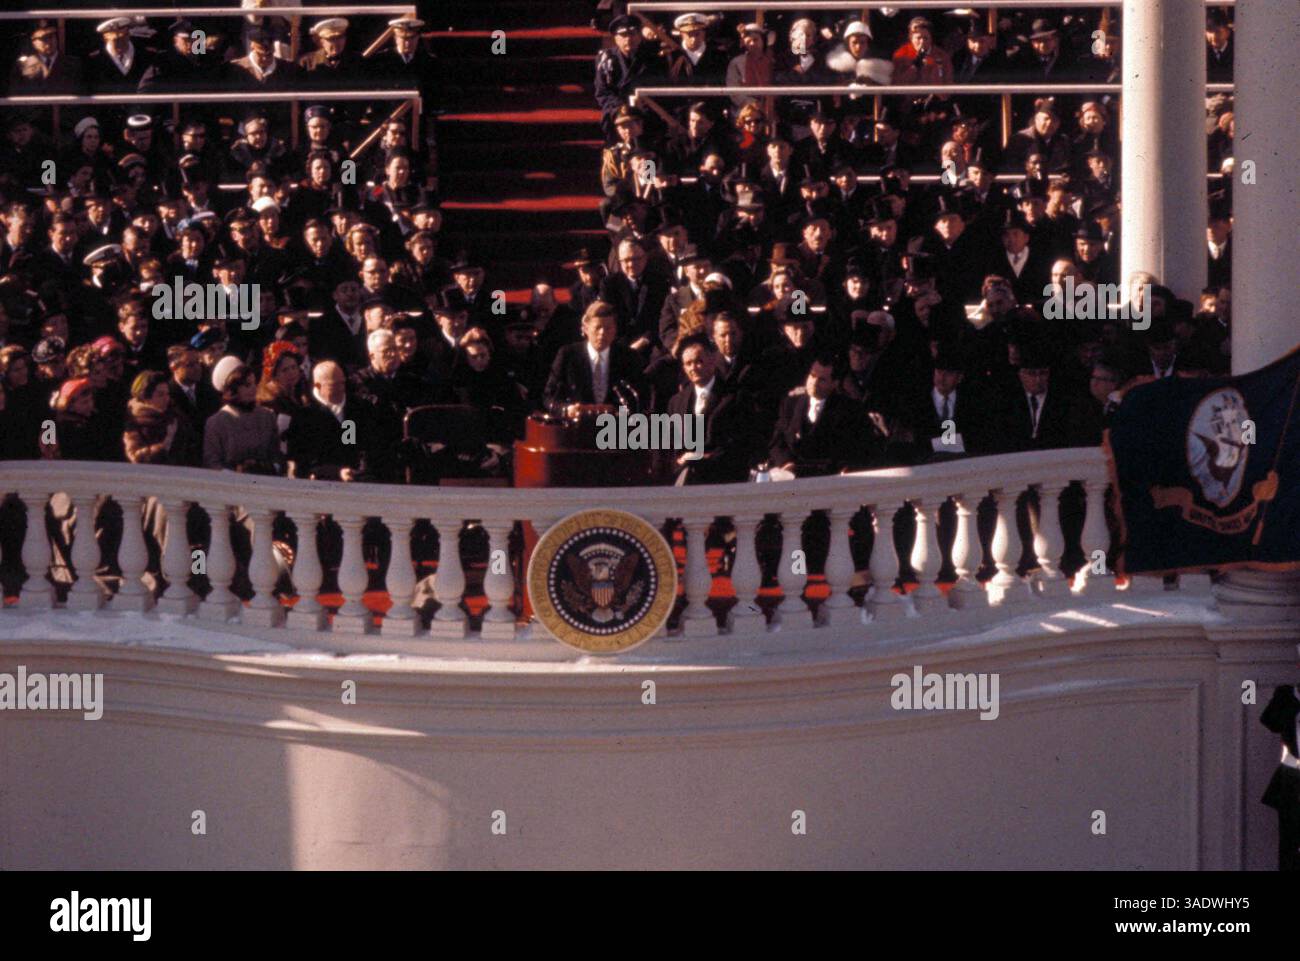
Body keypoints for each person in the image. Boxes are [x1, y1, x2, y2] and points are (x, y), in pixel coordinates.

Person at [767, 355, 872, 477]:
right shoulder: (790, 404)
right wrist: (786, 464)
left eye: (822, 379)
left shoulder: (850, 411)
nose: (814, 382)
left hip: (829, 480)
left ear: (835, 383)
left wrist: (846, 469)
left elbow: (859, 449)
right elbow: (777, 440)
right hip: (792, 479)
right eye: (812, 375)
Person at [543, 301, 645, 414]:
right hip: (576, 427)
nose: (602, 333)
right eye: (597, 328)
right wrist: (567, 410)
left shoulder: (628, 357)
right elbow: (549, 396)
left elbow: (638, 397)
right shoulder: (568, 355)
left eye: (608, 328)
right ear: (585, 328)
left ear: (615, 330)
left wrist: (619, 413)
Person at [202, 357, 282, 473]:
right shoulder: (216, 422)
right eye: (247, 385)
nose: (254, 389)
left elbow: (277, 456)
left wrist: (267, 468)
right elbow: (212, 462)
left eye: (255, 383)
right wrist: (236, 473)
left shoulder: (267, 416)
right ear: (232, 390)